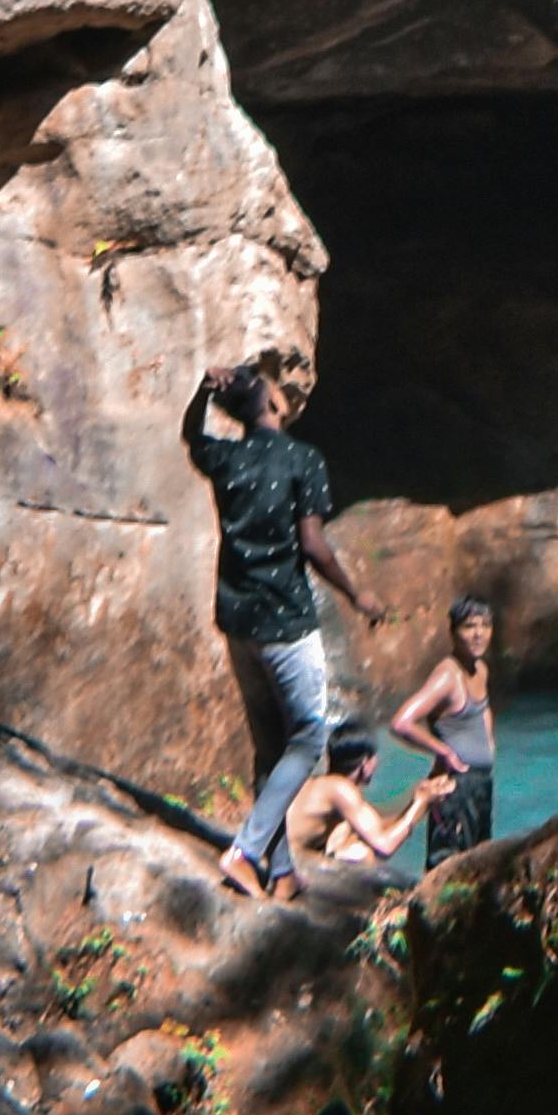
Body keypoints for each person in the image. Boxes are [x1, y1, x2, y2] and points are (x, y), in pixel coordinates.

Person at [182, 352, 370, 897]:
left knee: (270, 748)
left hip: (238, 622)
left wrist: (201, 392)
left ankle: (282, 871)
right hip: (285, 622)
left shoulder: (226, 458)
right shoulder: (303, 460)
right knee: (310, 738)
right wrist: (358, 593)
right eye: (275, 387)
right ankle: (244, 850)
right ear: (272, 403)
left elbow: (191, 436)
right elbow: (313, 544)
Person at [278, 595, 498, 892]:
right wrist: (443, 753)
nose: (478, 633)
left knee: (480, 863)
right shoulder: (448, 675)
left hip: (480, 782)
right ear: (453, 632)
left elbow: (376, 823)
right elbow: (401, 722)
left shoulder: (481, 670)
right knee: (449, 865)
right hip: (456, 784)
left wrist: (417, 799)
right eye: (470, 626)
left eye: (485, 626)